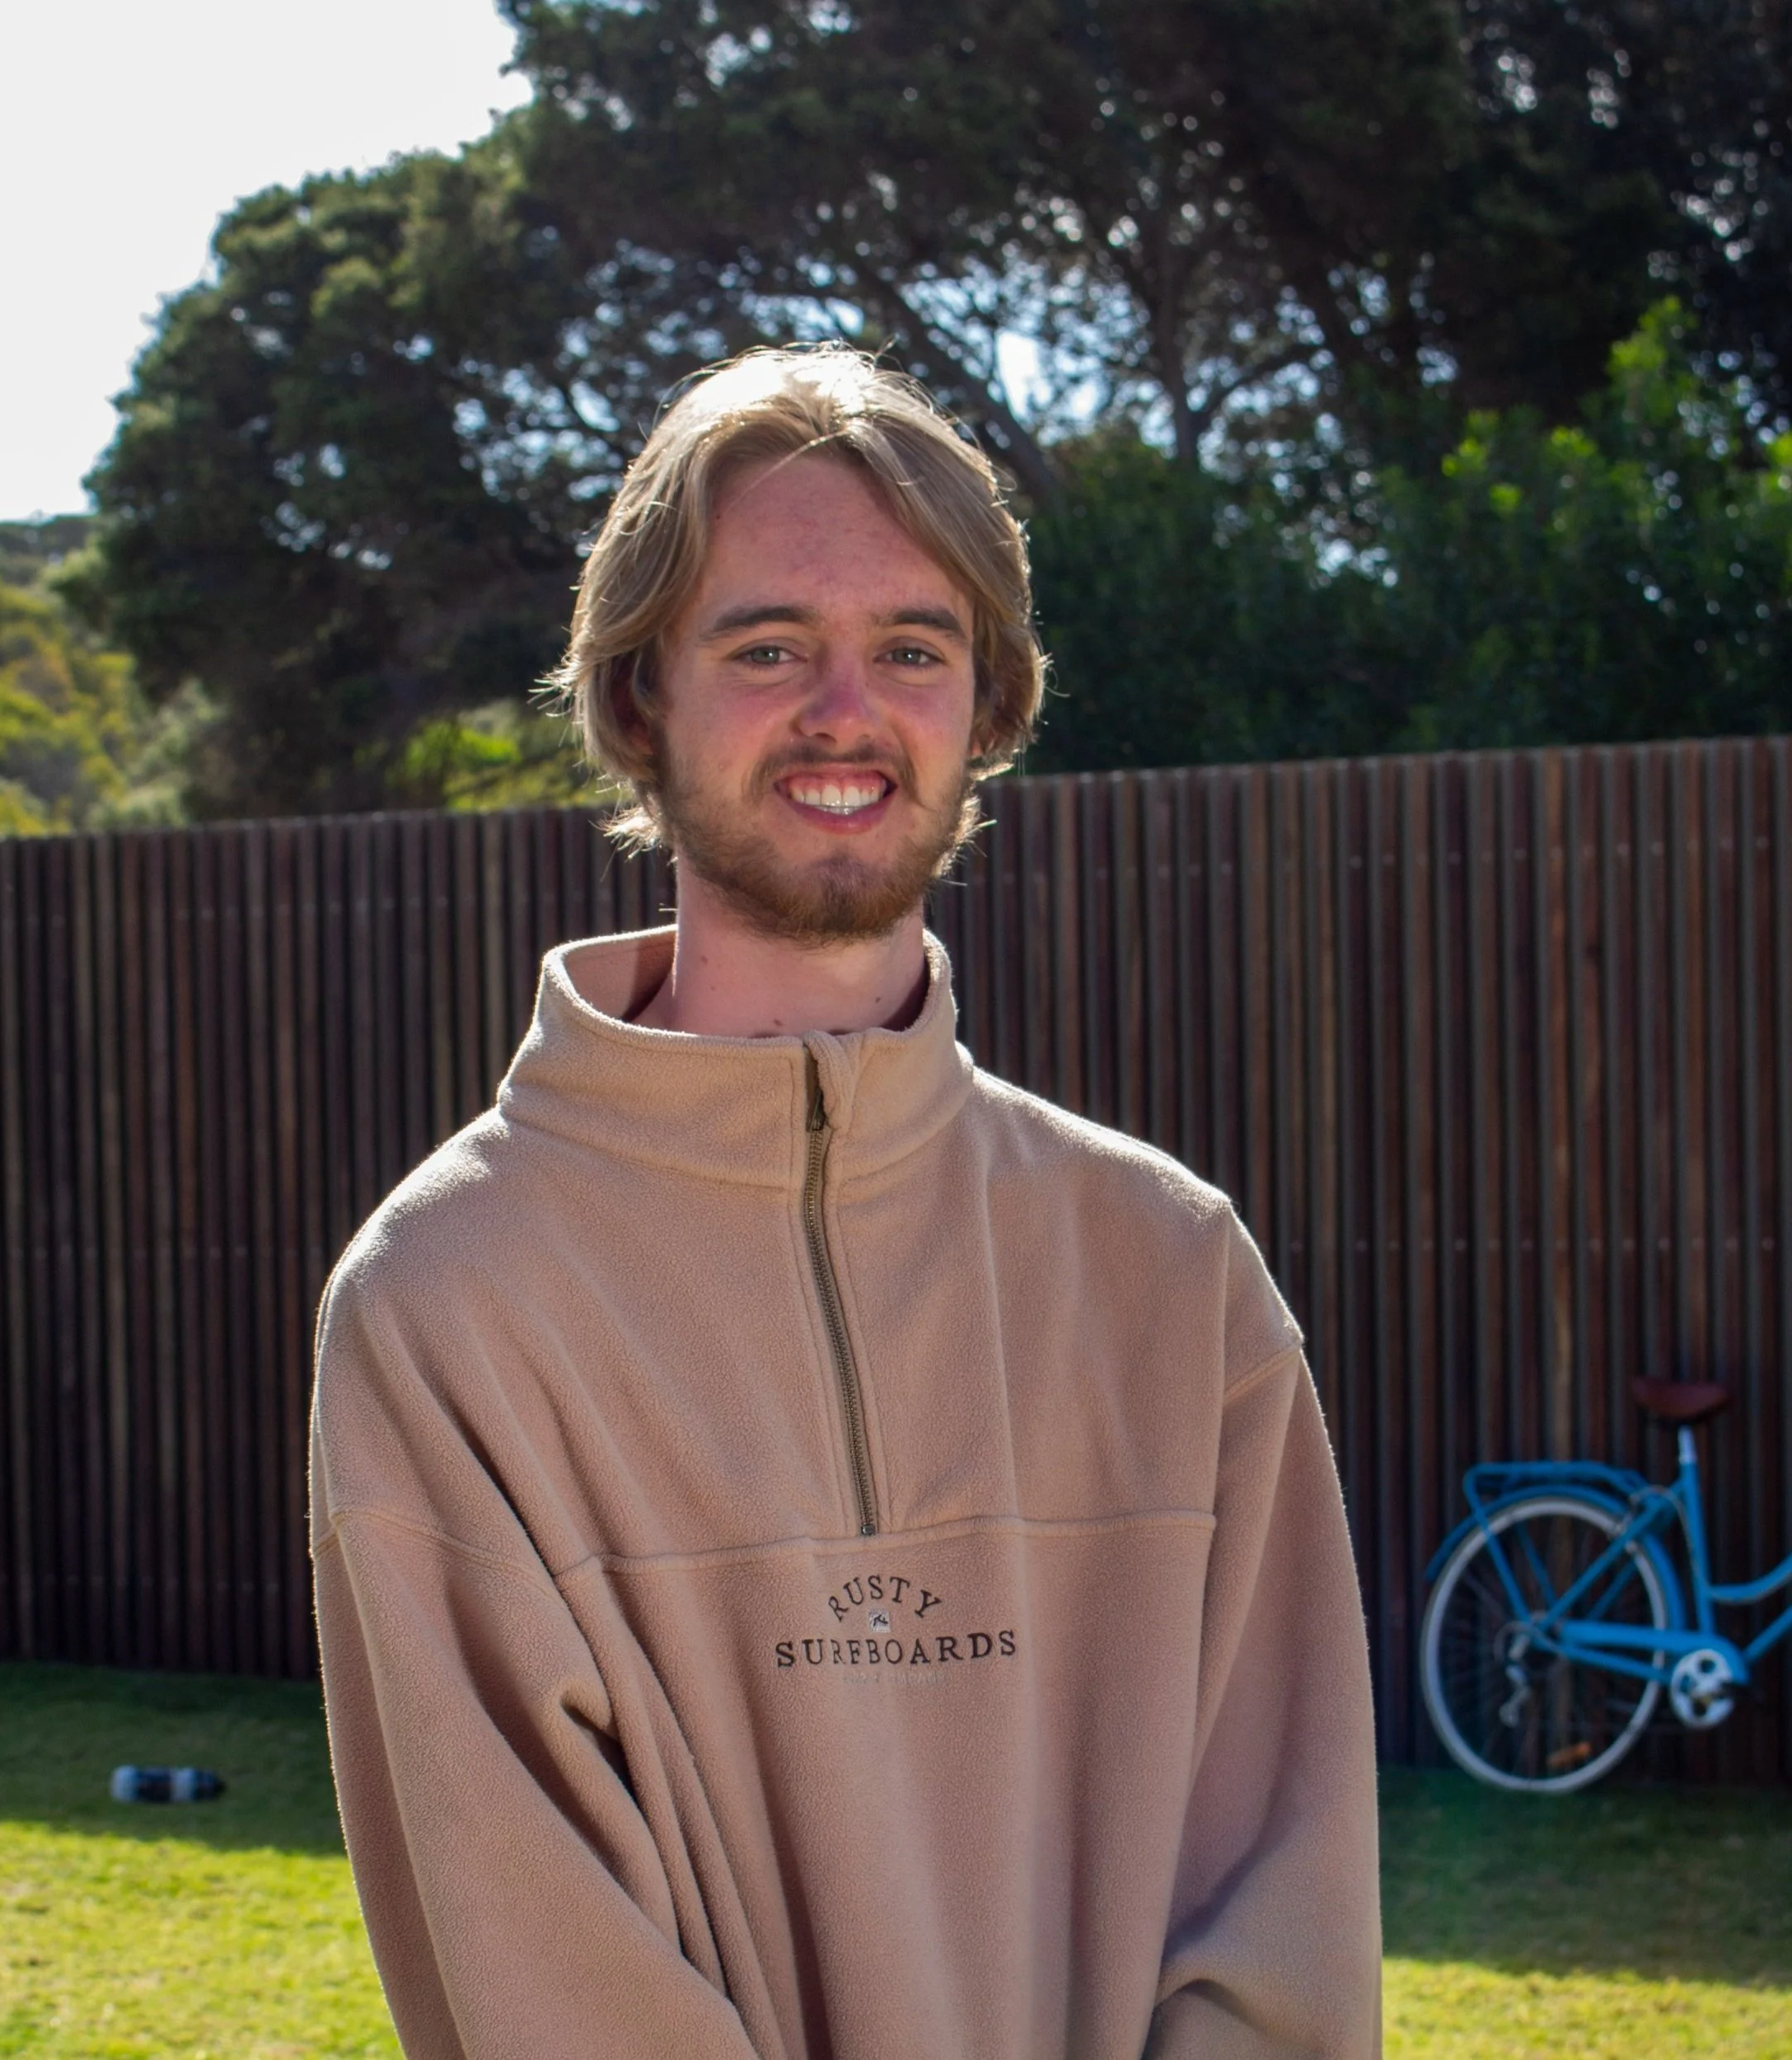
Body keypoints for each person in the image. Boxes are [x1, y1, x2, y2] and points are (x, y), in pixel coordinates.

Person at [309, 347, 1381, 2059]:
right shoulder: (447, 1300)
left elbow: (1277, 1903)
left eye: (909, 645)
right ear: (638, 692)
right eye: (765, 645)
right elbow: (547, 1980)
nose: (842, 707)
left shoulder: (1172, 1274)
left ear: (985, 702)